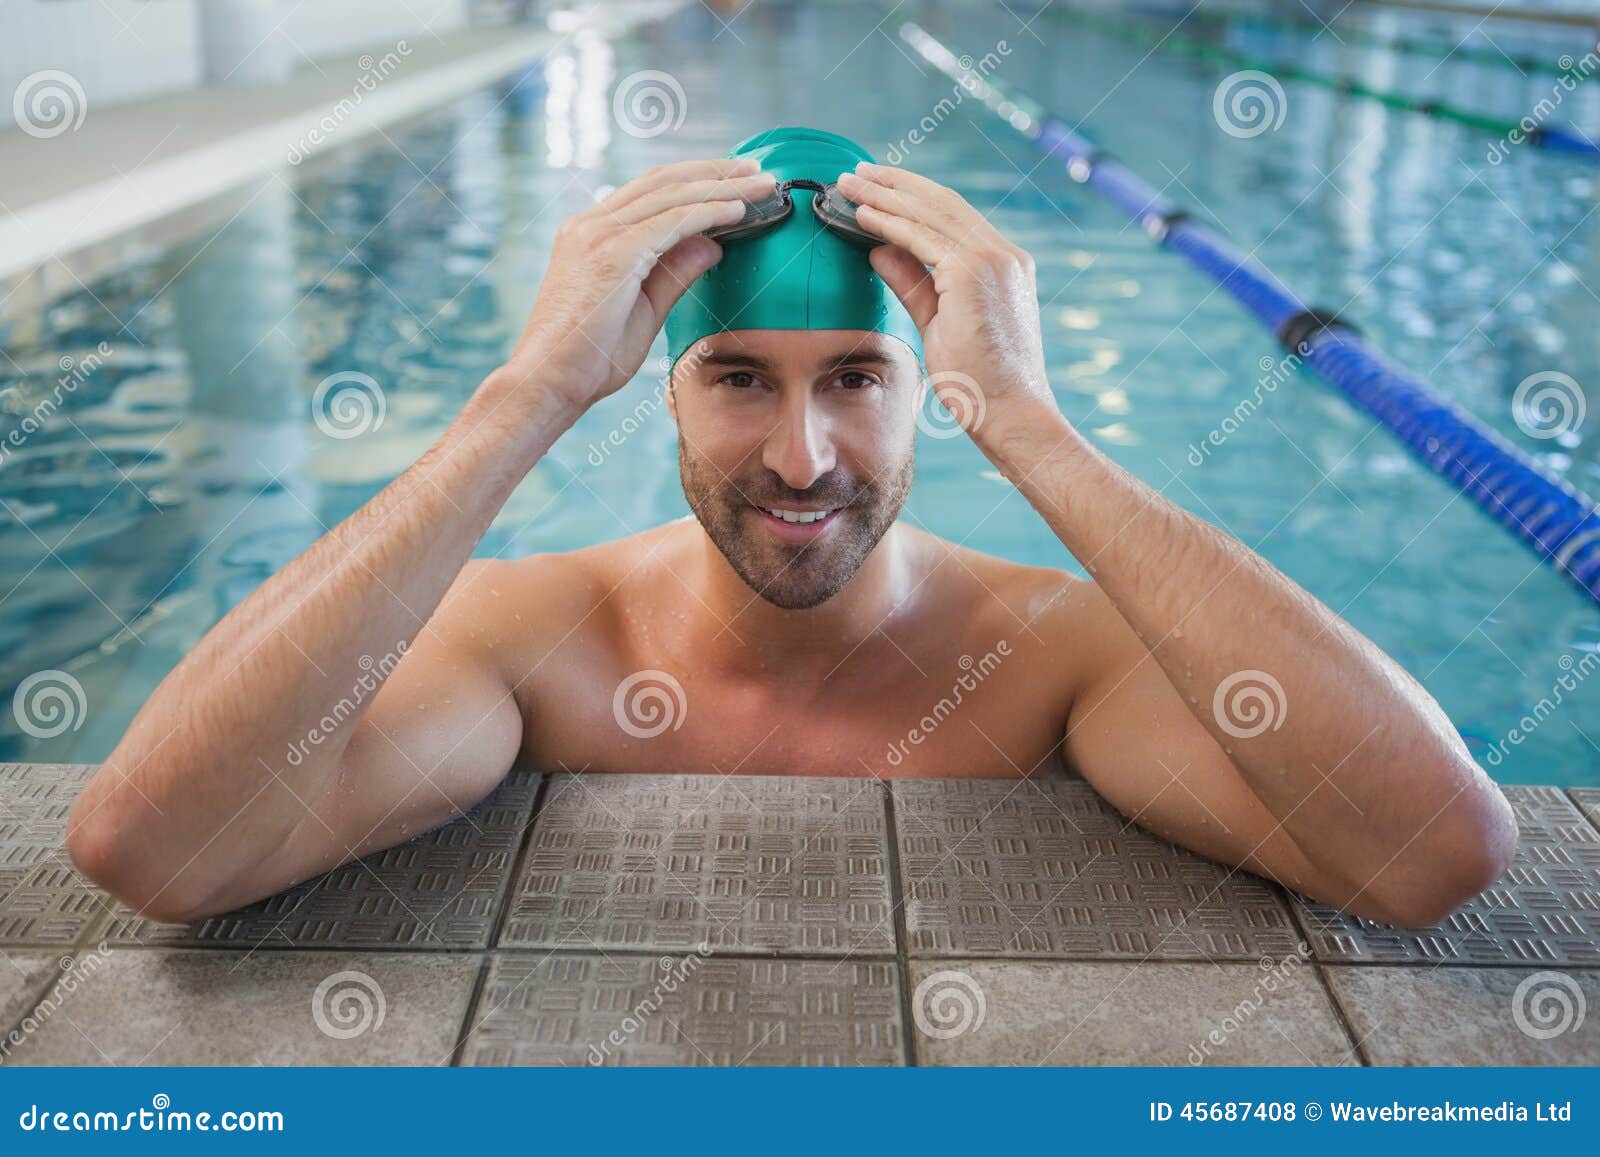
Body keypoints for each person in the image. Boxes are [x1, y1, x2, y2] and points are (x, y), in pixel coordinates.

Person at [66, 127, 1516, 926]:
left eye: (862, 380)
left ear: (930, 383)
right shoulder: (539, 643)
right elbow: (155, 847)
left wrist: (1033, 427)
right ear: (664, 388)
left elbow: (1428, 855)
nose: (803, 455)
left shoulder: (1054, 659)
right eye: (741, 378)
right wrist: (523, 397)